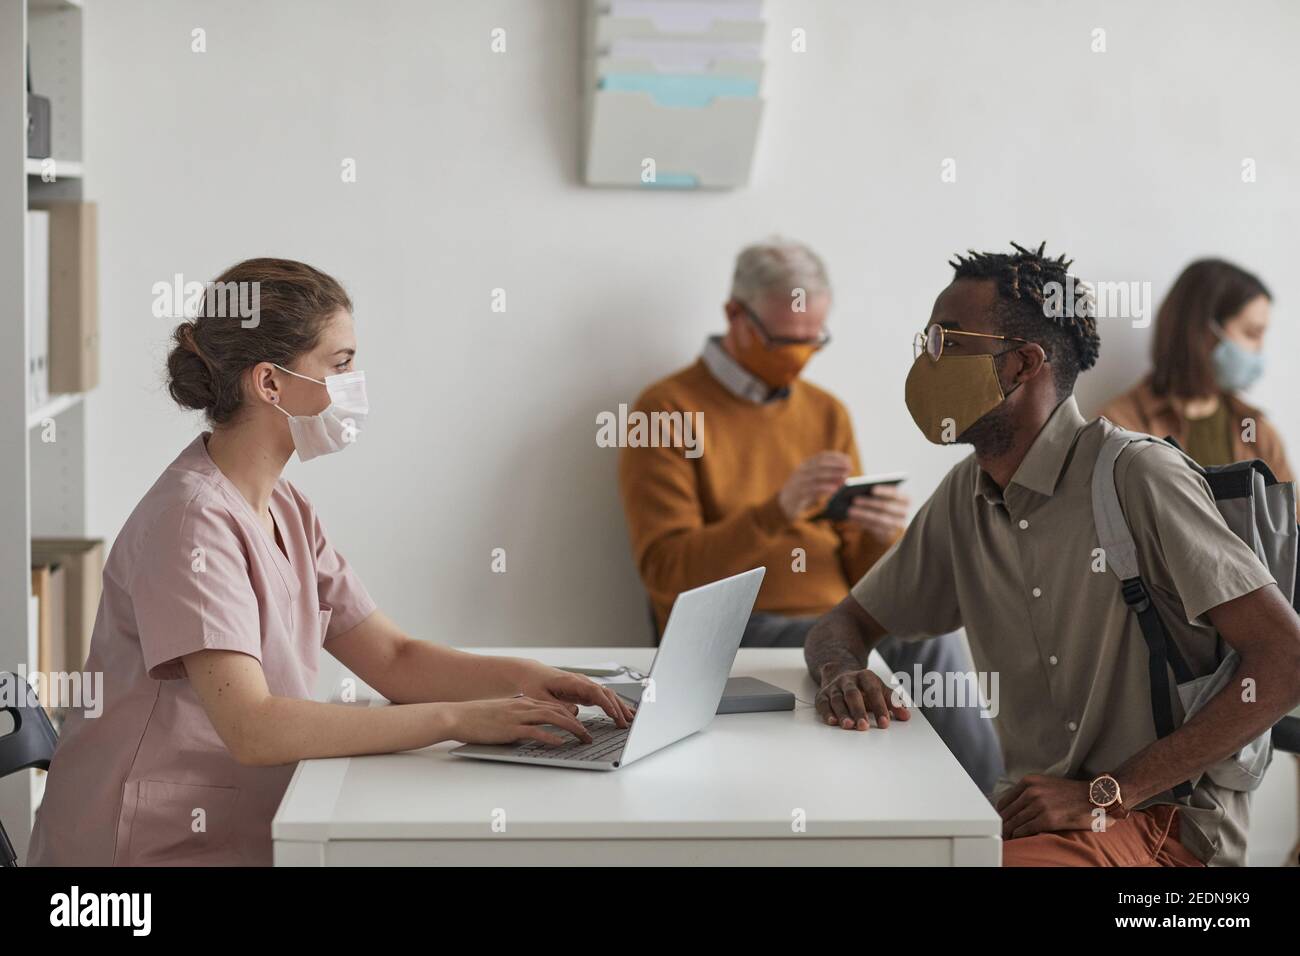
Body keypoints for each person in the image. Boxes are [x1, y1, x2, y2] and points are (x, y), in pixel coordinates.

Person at [28, 258, 633, 866]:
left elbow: (394, 659)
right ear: (270, 383)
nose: (354, 383)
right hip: (135, 853)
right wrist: (459, 719)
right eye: (340, 364)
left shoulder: (284, 506)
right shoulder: (191, 525)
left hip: (233, 824)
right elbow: (253, 725)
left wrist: (529, 677)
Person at [803, 242, 1300, 866]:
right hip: (1033, 820)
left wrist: (1106, 793)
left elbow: (1286, 659)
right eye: (922, 342)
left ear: (1019, 365)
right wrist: (842, 671)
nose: (922, 363)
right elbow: (841, 624)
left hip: (1163, 827)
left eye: (943, 344)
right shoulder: (966, 493)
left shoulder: (1139, 476)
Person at [619, 237, 1003, 795]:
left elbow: (862, 574)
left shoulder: (825, 411)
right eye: (783, 340)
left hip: (836, 621)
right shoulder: (666, 410)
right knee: (920, 643)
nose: (798, 356)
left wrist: (879, 533)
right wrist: (778, 510)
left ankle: (975, 820)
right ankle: (1000, 817)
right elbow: (665, 572)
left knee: (925, 623)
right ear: (735, 316)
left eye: (812, 341)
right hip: (736, 629)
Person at [1100, 258, 1292, 480]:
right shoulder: (1119, 426)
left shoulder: (1256, 430)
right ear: (1203, 332)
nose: (1260, 350)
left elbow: (1291, 512)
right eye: (1251, 333)